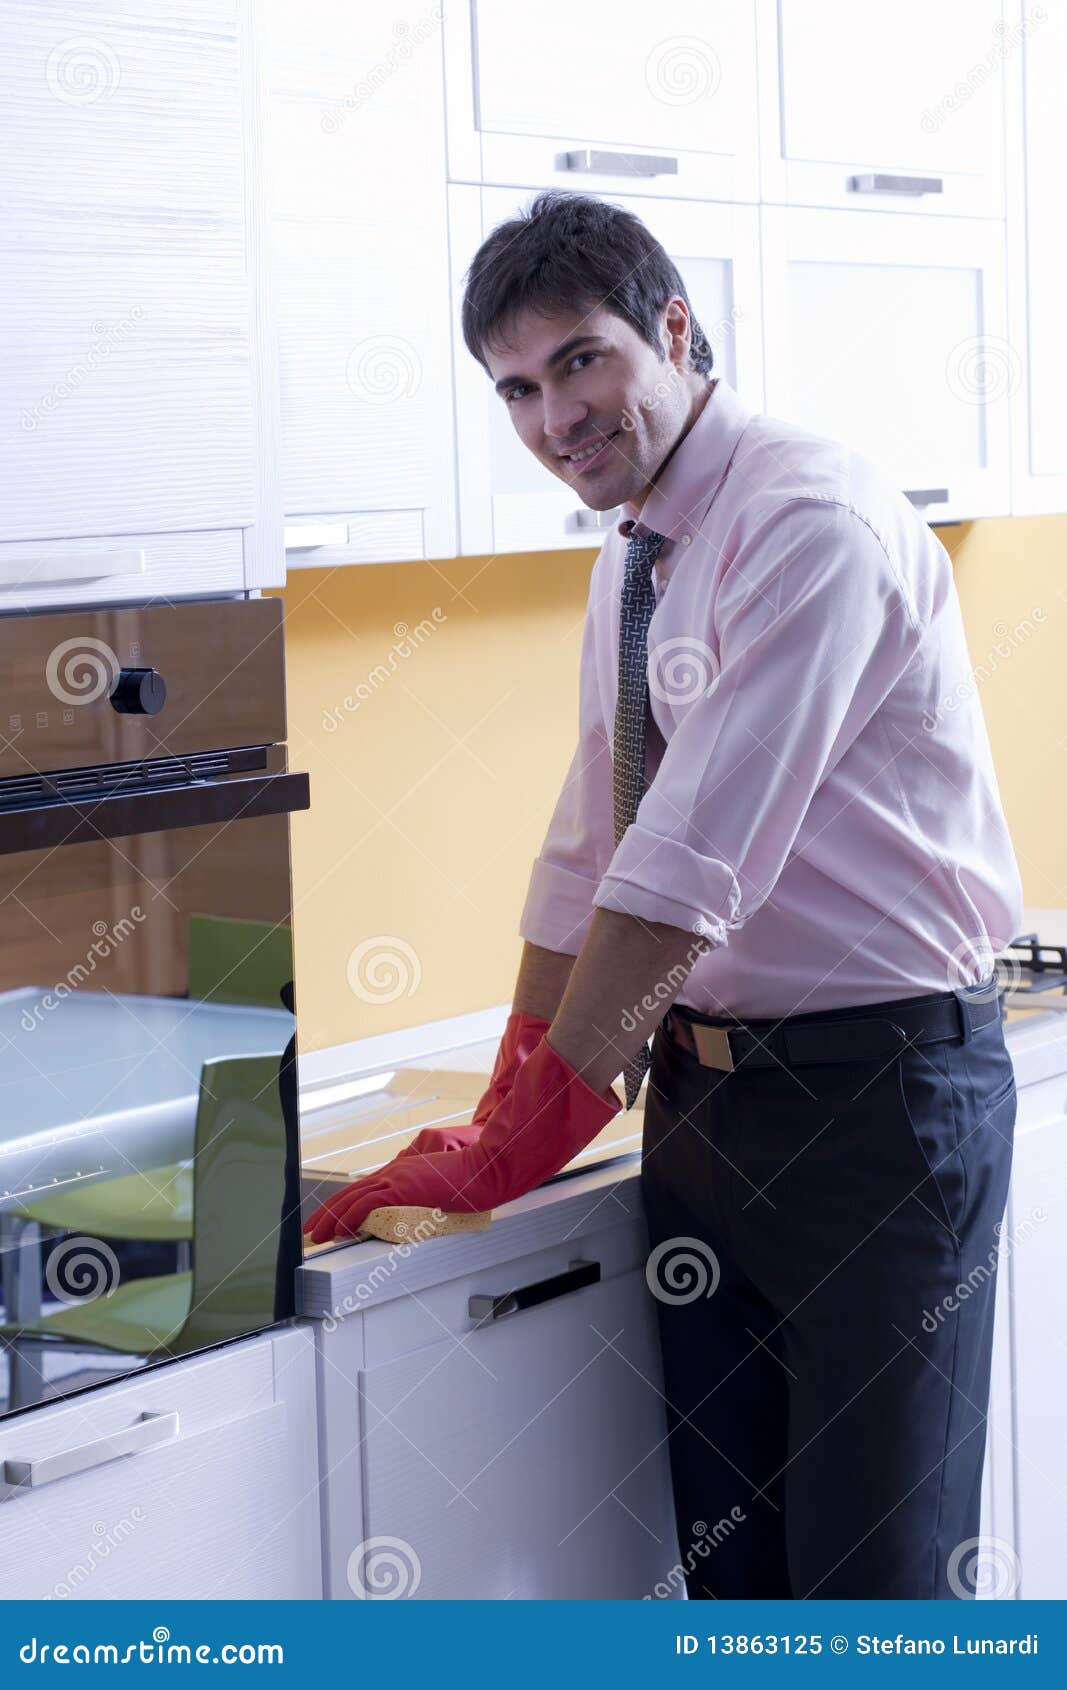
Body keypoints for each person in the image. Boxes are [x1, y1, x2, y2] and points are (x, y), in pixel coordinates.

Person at [306, 191, 1024, 1600]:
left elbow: (689, 859)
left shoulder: (807, 520)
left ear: (675, 331)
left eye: (580, 360)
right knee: (732, 1575)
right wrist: (513, 1087)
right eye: (516, 388)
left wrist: (533, 1133)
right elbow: (597, 837)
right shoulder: (637, 548)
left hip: (878, 1112)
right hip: (702, 1109)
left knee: (873, 1591)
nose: (552, 417)